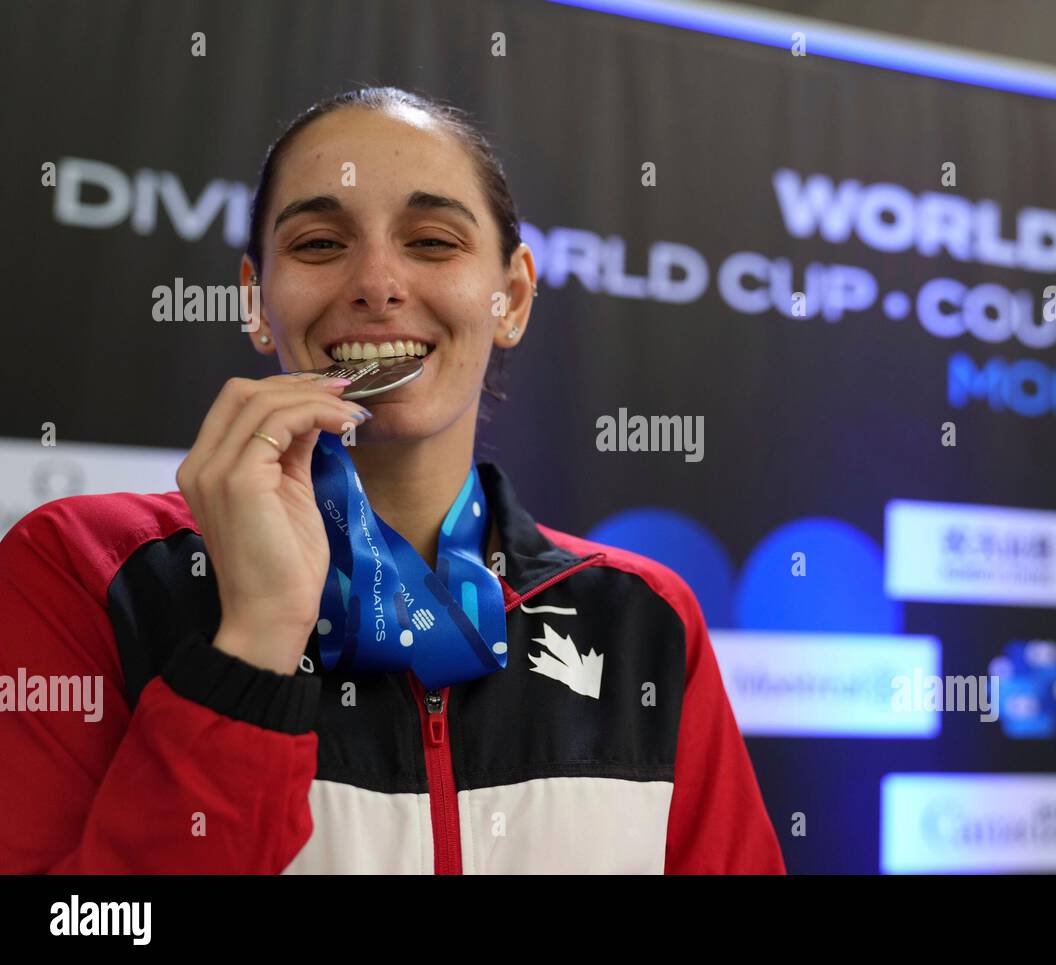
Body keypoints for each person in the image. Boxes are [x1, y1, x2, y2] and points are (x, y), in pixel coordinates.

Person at [0, 87, 785, 874]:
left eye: (434, 242)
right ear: (255, 298)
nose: (376, 282)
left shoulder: (642, 619)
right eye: (317, 244)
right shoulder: (84, 572)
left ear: (510, 298)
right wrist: (255, 638)